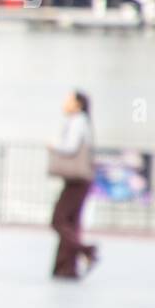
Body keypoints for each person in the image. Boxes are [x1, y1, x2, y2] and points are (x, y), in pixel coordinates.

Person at [47, 90, 98, 280]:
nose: (65, 102)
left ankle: (86, 251)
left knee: (58, 220)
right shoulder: (81, 122)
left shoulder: (78, 122)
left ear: (77, 104)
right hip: (79, 181)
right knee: (71, 223)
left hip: (78, 181)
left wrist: (53, 145)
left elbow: (70, 147)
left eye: (69, 99)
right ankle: (66, 268)